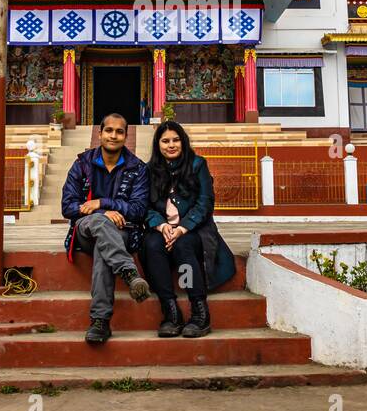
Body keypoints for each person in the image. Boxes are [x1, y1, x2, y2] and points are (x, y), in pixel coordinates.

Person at [60, 112, 151, 344]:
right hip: (85, 230)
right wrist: (103, 214)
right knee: (100, 223)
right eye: (109, 130)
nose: (114, 135)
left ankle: (100, 321)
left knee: (105, 246)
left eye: (119, 131)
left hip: (122, 232)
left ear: (125, 136)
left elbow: (139, 209)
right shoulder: (82, 164)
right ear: (100, 134)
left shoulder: (138, 168)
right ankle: (130, 274)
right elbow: (68, 207)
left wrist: (103, 203)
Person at [142, 120, 236, 338]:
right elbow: (144, 206)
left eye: (175, 140)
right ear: (158, 145)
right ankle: (171, 312)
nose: (171, 145)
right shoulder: (149, 170)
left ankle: (199, 310)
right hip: (162, 230)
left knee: (183, 247)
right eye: (165, 141)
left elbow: (205, 202)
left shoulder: (197, 164)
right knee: (152, 245)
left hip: (193, 231)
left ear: (183, 142)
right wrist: (161, 225)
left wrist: (183, 228)